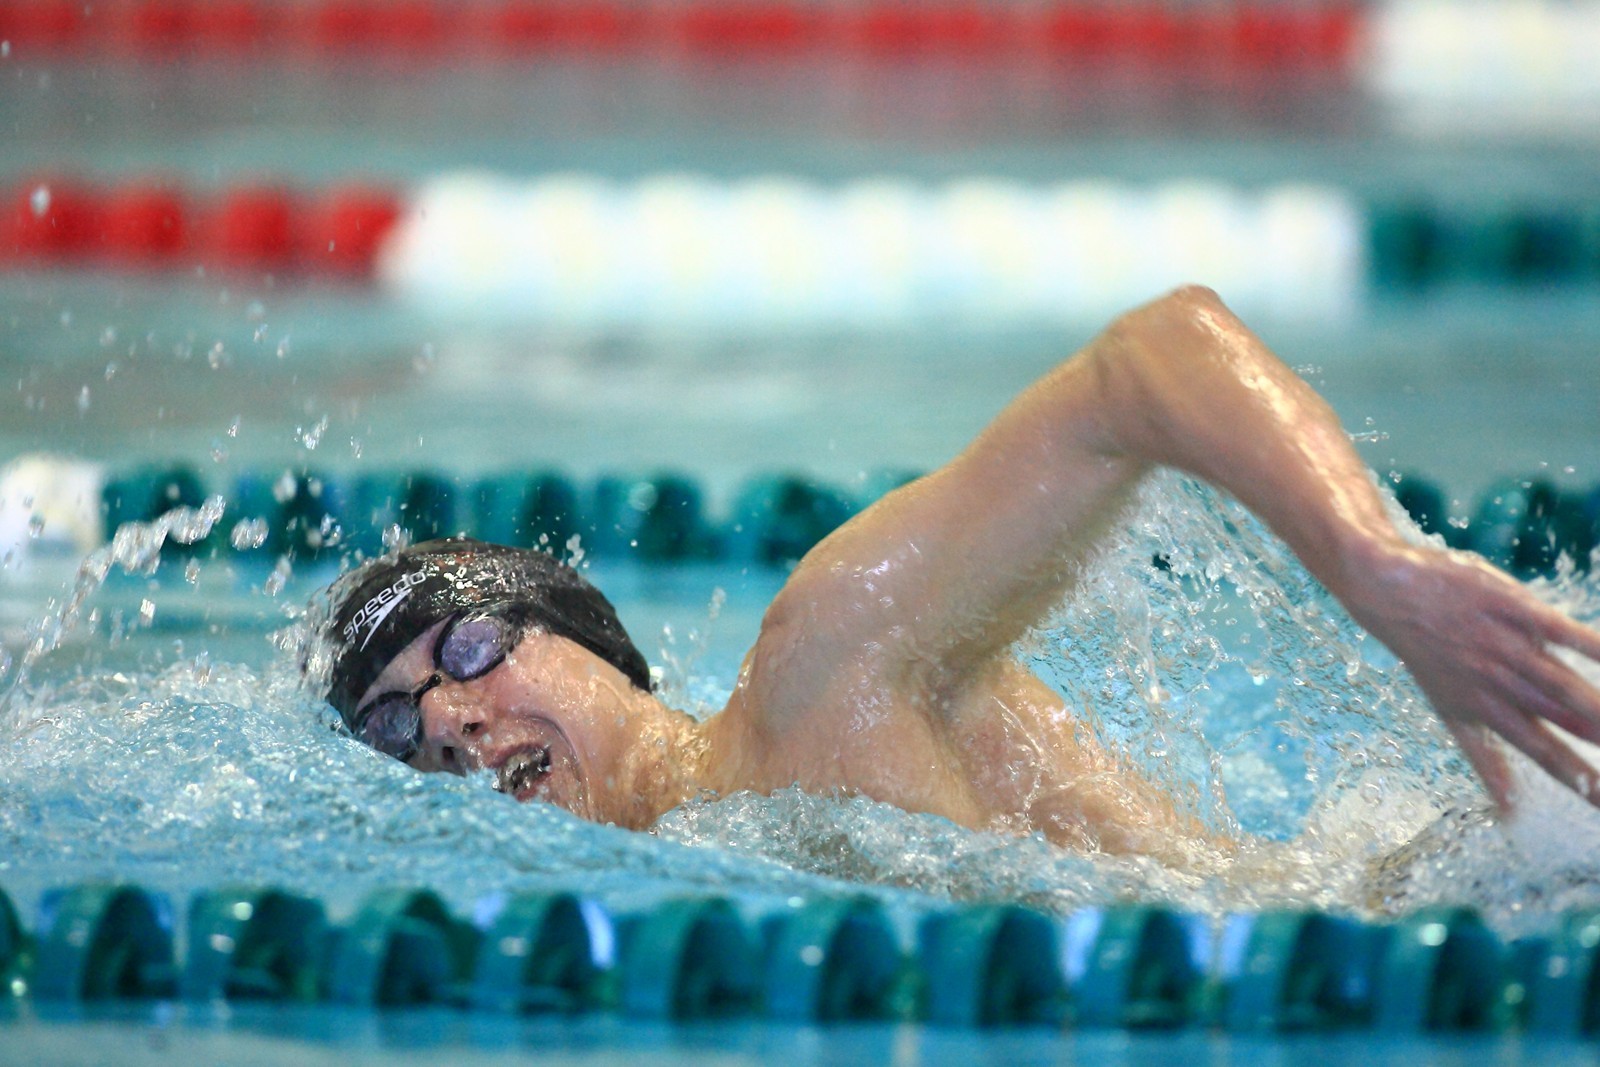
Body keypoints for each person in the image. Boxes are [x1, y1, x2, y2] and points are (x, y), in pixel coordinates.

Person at [315, 287, 1600, 864]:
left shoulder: (821, 670)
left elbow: (1151, 359)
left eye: (469, 649)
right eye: (393, 717)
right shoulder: (701, 852)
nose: (446, 719)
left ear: (589, 637)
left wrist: (1382, 574)